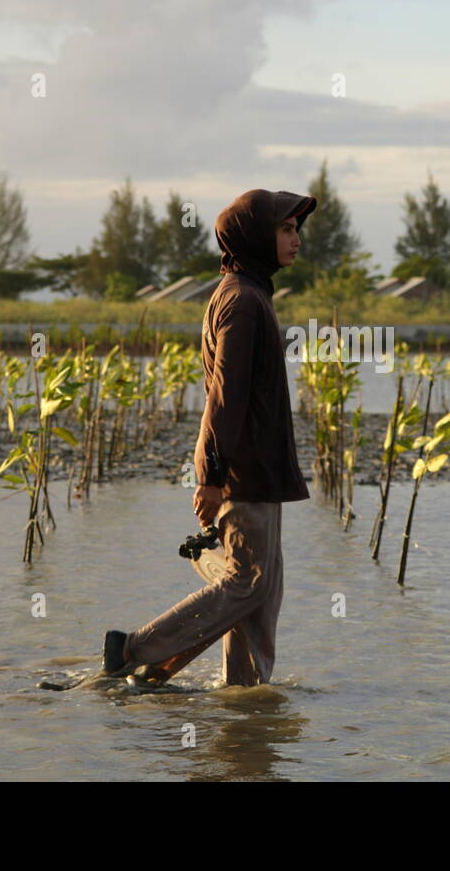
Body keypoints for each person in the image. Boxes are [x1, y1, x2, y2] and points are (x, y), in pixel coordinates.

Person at [103, 188, 316, 688]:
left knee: (261, 591)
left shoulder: (248, 292)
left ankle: (244, 694)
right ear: (256, 236)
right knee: (248, 582)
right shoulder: (242, 300)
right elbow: (225, 396)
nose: (296, 239)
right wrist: (212, 478)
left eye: (296, 229)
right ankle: (133, 650)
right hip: (243, 472)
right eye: (286, 229)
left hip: (256, 471)